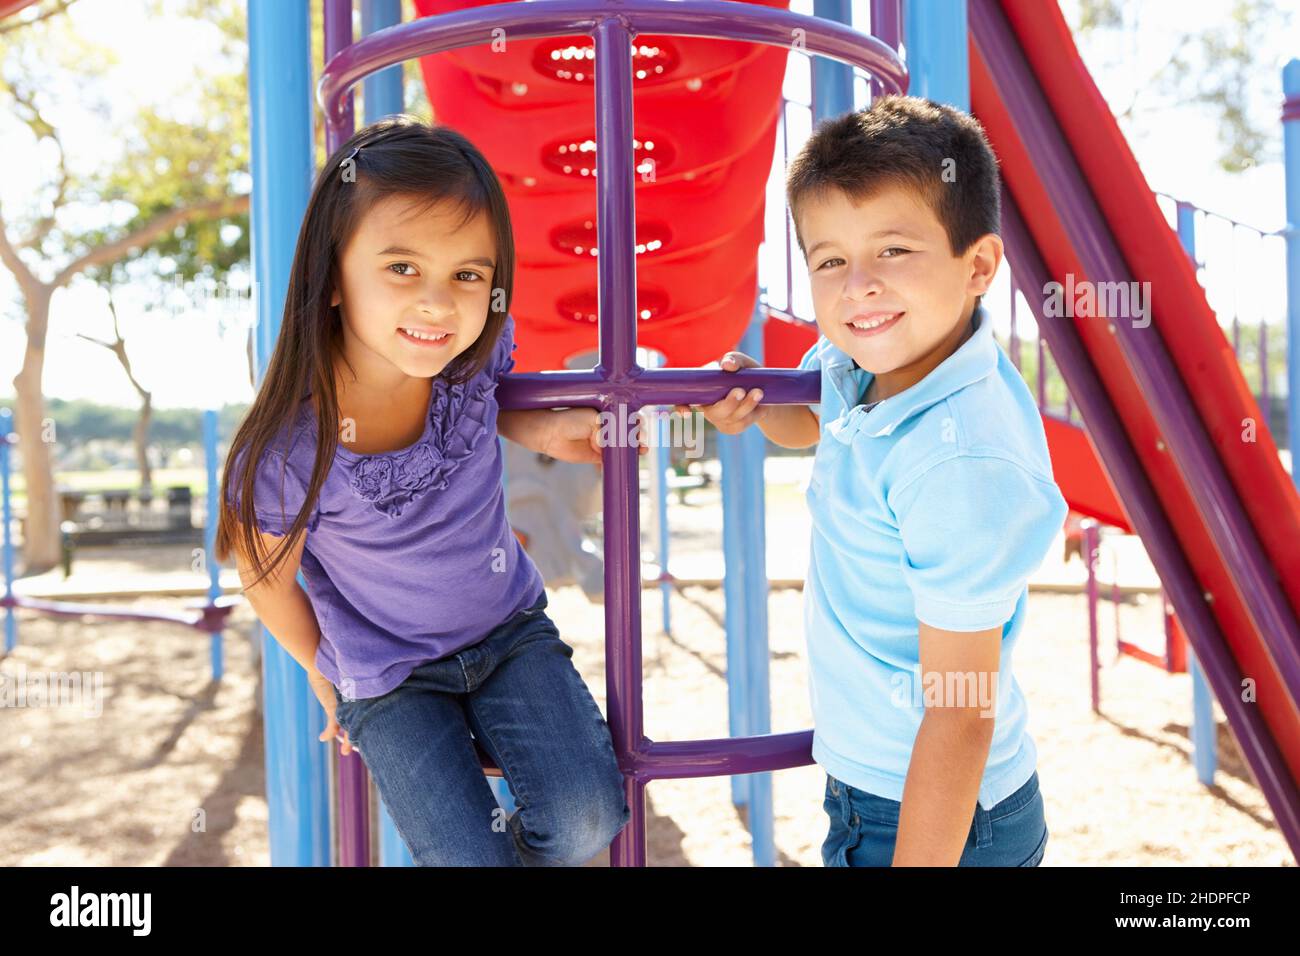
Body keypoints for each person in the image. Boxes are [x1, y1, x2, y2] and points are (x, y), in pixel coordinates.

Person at [216, 117, 635, 866]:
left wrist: (549, 434)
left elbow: (495, 403)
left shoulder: (468, 368)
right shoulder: (290, 447)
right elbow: (262, 573)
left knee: (586, 815)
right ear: (332, 277)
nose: (439, 303)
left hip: (507, 633)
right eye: (402, 268)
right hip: (388, 676)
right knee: (466, 856)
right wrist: (322, 667)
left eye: (468, 275)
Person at [678, 95, 1067, 866]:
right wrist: (760, 407)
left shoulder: (959, 459)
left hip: (937, 813)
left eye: (893, 251)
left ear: (978, 265)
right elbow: (816, 421)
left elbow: (961, 715)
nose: (858, 286)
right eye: (829, 260)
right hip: (889, 785)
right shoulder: (866, 364)